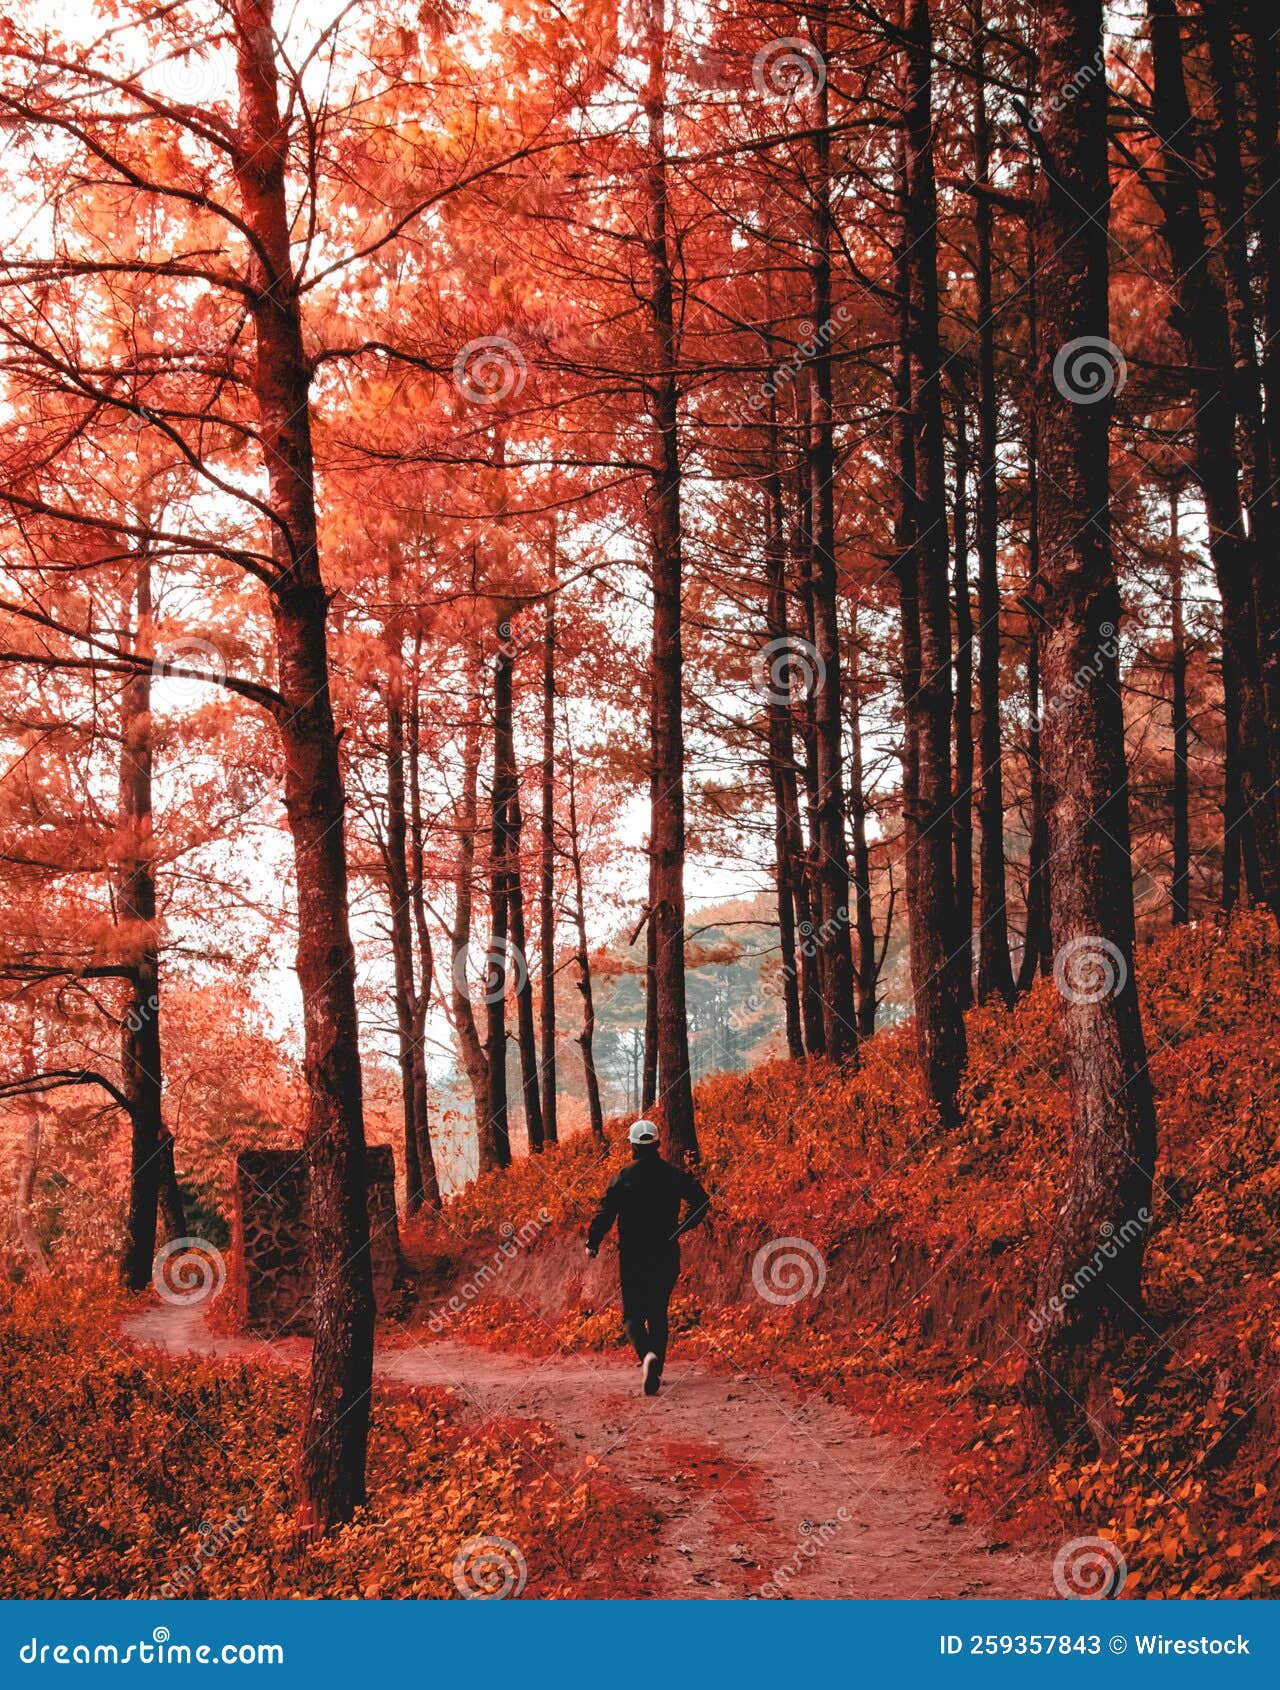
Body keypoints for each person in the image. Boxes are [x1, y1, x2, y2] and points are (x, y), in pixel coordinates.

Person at [585, 1118, 711, 1395]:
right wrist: (682, 1227)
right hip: (665, 1252)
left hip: (632, 1255)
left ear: (631, 1145)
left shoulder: (622, 1177)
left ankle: (646, 1356)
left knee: (631, 1315)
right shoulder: (674, 1175)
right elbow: (702, 1201)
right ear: (657, 1143)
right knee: (658, 1311)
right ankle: (657, 1365)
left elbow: (605, 1213)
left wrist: (592, 1242)